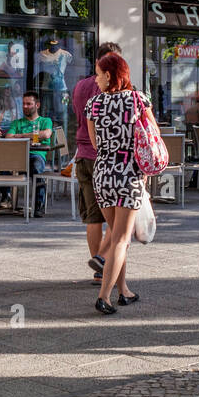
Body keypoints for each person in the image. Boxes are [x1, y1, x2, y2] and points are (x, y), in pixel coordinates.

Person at [85, 53, 149, 314]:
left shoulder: (94, 105)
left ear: (109, 75)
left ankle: (124, 291)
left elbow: (95, 143)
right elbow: (150, 138)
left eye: (99, 74)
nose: (96, 79)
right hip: (129, 172)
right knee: (121, 239)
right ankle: (105, 297)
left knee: (116, 235)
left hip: (103, 174)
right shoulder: (138, 100)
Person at [73, 42, 120, 283]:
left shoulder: (80, 86)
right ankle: (104, 260)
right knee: (118, 217)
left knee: (93, 217)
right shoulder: (113, 88)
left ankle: (99, 269)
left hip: (83, 156)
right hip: (107, 159)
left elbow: (79, 117)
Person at [0, 91, 52, 217]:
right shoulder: (17, 122)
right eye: (23, 104)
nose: (25, 106)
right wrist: (33, 136)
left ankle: (39, 203)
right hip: (17, 155)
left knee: (36, 166)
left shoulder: (45, 121)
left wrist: (21, 135)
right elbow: (8, 137)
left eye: (29, 104)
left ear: (37, 105)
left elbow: (46, 134)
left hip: (36, 154)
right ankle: (6, 197)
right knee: (3, 162)